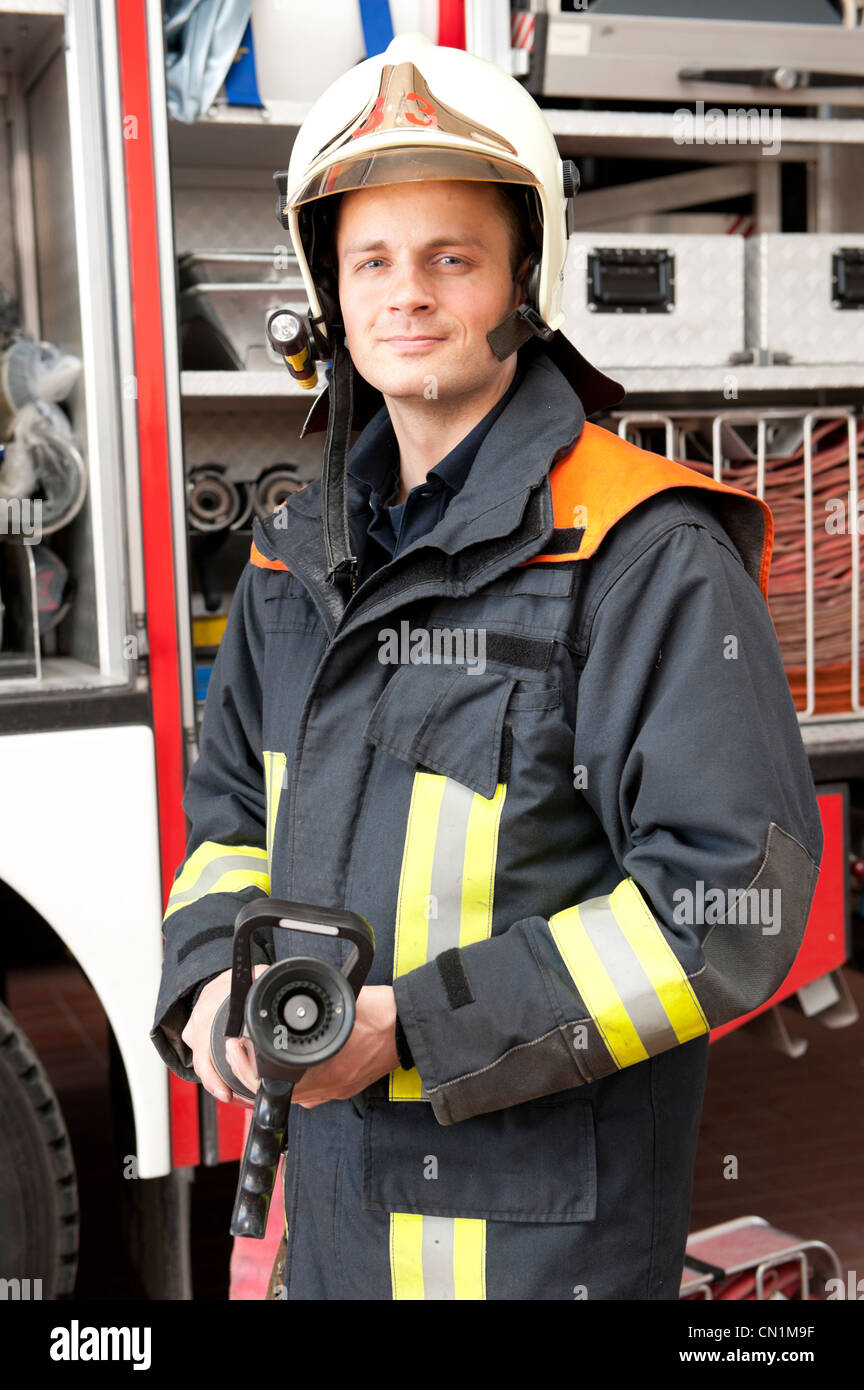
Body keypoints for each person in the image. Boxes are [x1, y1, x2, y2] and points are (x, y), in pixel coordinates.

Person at [150, 33, 824, 1301]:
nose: (407, 295)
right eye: (373, 261)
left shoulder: (643, 553)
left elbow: (730, 903)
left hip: (540, 1253)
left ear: (524, 279)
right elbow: (229, 822)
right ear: (329, 295)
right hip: (330, 1239)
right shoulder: (294, 561)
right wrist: (206, 983)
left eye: (450, 257)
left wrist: (412, 1030)